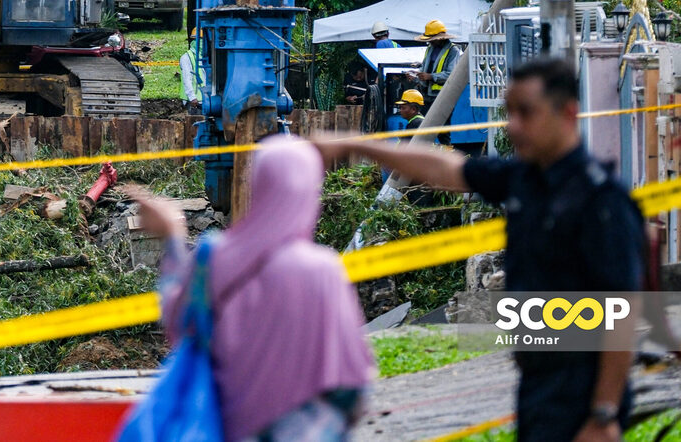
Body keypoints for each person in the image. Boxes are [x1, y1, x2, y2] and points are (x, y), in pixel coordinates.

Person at [315, 57, 646, 442]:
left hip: (583, 393)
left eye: (527, 113)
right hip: (539, 384)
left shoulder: (601, 199)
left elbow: (621, 311)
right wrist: (363, 148)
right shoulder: (525, 178)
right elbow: (445, 169)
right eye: (510, 113)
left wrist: (603, 414)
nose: (514, 126)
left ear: (568, 113)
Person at [124, 136, 374, 441]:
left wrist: (174, 238)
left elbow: (179, 322)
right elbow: (354, 385)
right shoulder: (324, 268)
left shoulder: (215, 257)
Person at [407, 19, 461, 109]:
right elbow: (424, 68)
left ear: (440, 38)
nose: (430, 41)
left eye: (433, 40)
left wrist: (431, 76)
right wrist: (416, 74)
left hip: (443, 96)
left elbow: (451, 75)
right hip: (426, 95)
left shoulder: (453, 51)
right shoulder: (430, 48)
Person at [179, 29, 204, 115]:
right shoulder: (186, 57)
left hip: (204, 101)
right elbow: (187, 79)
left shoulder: (203, 57)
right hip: (194, 102)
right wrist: (192, 97)